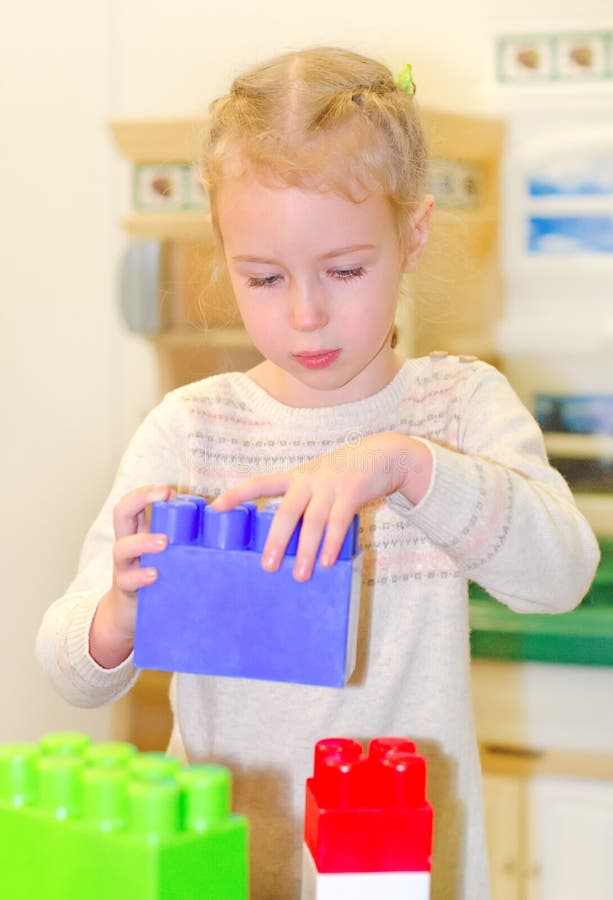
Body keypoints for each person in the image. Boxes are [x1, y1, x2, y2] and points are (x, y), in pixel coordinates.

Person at [36, 46, 599, 900]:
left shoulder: (455, 409)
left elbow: (560, 574)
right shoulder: (194, 431)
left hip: (403, 873)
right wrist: (119, 612)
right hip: (226, 875)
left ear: (412, 235)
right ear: (225, 252)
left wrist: (407, 464)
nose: (305, 314)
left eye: (344, 270)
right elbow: (69, 671)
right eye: (264, 277)